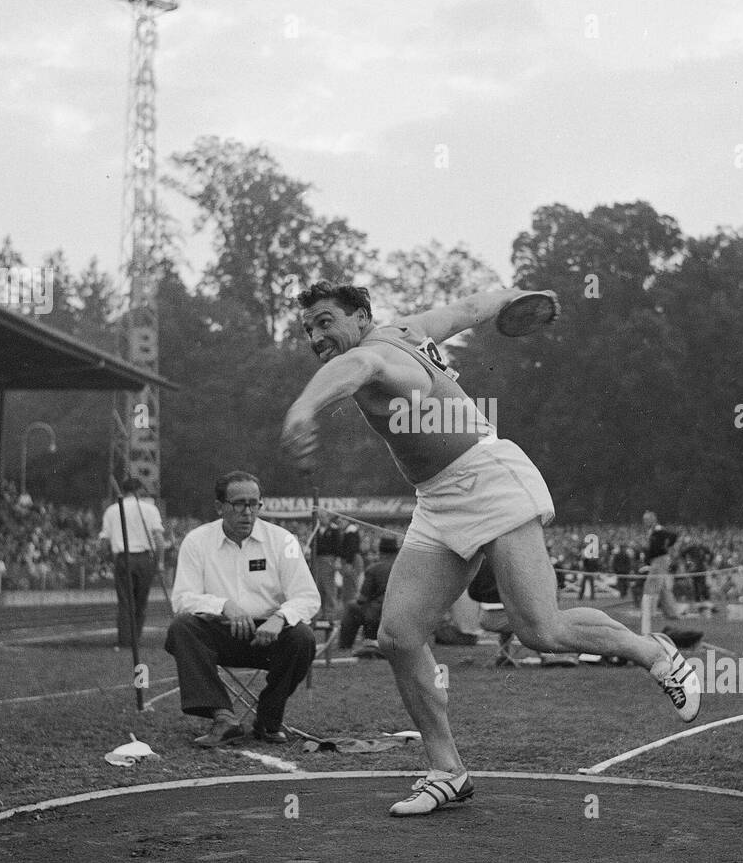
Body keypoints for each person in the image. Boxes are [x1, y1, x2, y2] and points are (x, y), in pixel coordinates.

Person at [281, 281, 700, 817]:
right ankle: (446, 771)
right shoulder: (408, 328)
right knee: (398, 636)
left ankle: (654, 653)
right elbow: (469, 309)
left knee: (540, 630)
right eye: (308, 328)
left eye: (324, 321)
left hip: (490, 479)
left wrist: (303, 407)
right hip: (437, 498)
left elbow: (358, 369)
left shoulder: (375, 354)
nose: (316, 337)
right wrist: (518, 294)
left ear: (362, 315)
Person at [165, 470, 319, 746]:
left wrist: (280, 617)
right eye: (238, 504)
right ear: (219, 506)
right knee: (182, 627)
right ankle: (223, 717)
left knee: (303, 637)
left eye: (254, 504)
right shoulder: (196, 541)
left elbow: (308, 597)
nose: (247, 512)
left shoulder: (283, 541)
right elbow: (182, 599)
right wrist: (223, 605)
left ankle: (268, 720)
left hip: (269, 636)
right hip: (220, 632)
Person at [99, 478, 166, 650]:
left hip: (123, 558)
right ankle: (135, 638)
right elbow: (159, 540)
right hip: (145, 559)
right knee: (141, 601)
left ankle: (125, 641)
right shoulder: (150, 509)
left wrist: (106, 559)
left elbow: (104, 542)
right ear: (140, 491)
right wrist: (159, 562)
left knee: (125, 601)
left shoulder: (112, 510)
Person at [339, 534, 399, 652]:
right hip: (400, 612)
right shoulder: (405, 568)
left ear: (380, 551)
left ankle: (345, 645)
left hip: (377, 613)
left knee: (352, 607)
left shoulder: (374, 569)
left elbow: (362, 599)